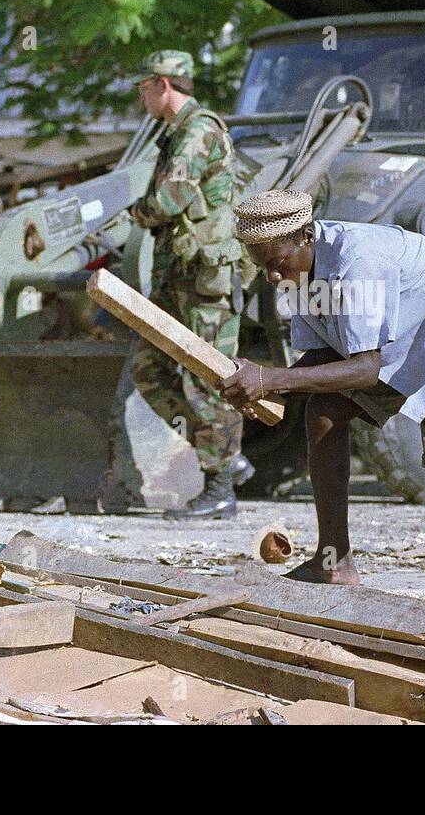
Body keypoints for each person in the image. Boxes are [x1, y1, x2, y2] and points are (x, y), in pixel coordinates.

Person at [221, 190, 425, 592]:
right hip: (402, 339)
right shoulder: (297, 275)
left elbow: (364, 369)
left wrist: (271, 379)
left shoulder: (355, 261)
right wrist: (267, 390)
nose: (273, 277)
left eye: (277, 264)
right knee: (323, 411)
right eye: (264, 269)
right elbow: (323, 357)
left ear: (306, 237)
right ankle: (334, 565)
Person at [126, 49, 248, 520]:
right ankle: (226, 456)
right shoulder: (174, 133)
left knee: (210, 379)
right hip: (178, 274)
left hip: (205, 278)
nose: (141, 96)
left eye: (143, 87)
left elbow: (166, 201)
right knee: (149, 370)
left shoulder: (197, 131)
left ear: (163, 84)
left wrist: (132, 211)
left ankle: (219, 487)